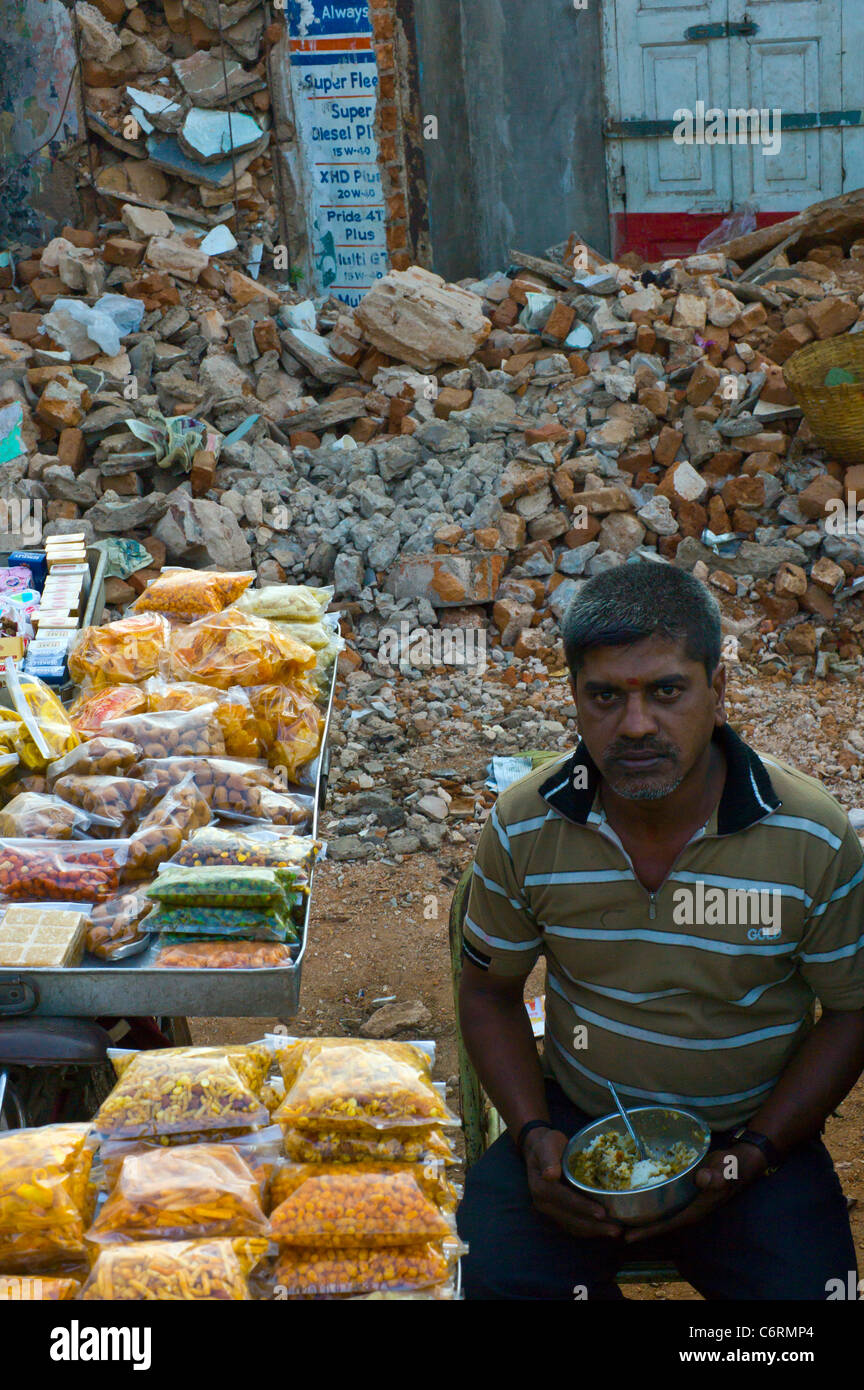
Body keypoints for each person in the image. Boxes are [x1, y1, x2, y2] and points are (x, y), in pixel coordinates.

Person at [457, 561, 864, 1300]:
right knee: (486, 1286)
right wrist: (531, 1137)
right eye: (605, 696)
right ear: (575, 699)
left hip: (749, 1133)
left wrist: (759, 1150)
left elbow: (853, 1010)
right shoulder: (526, 825)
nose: (636, 724)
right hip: (580, 1120)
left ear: (718, 691)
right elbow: (488, 995)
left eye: (666, 691)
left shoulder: (813, 837)